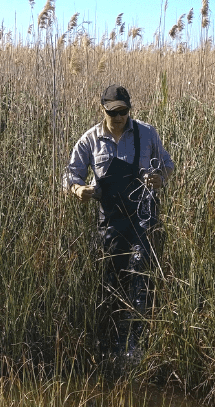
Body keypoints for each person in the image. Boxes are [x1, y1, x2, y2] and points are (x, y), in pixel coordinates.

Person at [65, 84, 174, 361]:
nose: (119, 117)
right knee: (112, 283)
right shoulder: (90, 140)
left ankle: (139, 346)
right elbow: (70, 175)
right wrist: (78, 190)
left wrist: (161, 177)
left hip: (143, 218)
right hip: (110, 223)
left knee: (142, 277)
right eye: (113, 112)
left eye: (124, 111)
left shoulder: (146, 133)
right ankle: (113, 343)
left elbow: (168, 165)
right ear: (103, 109)